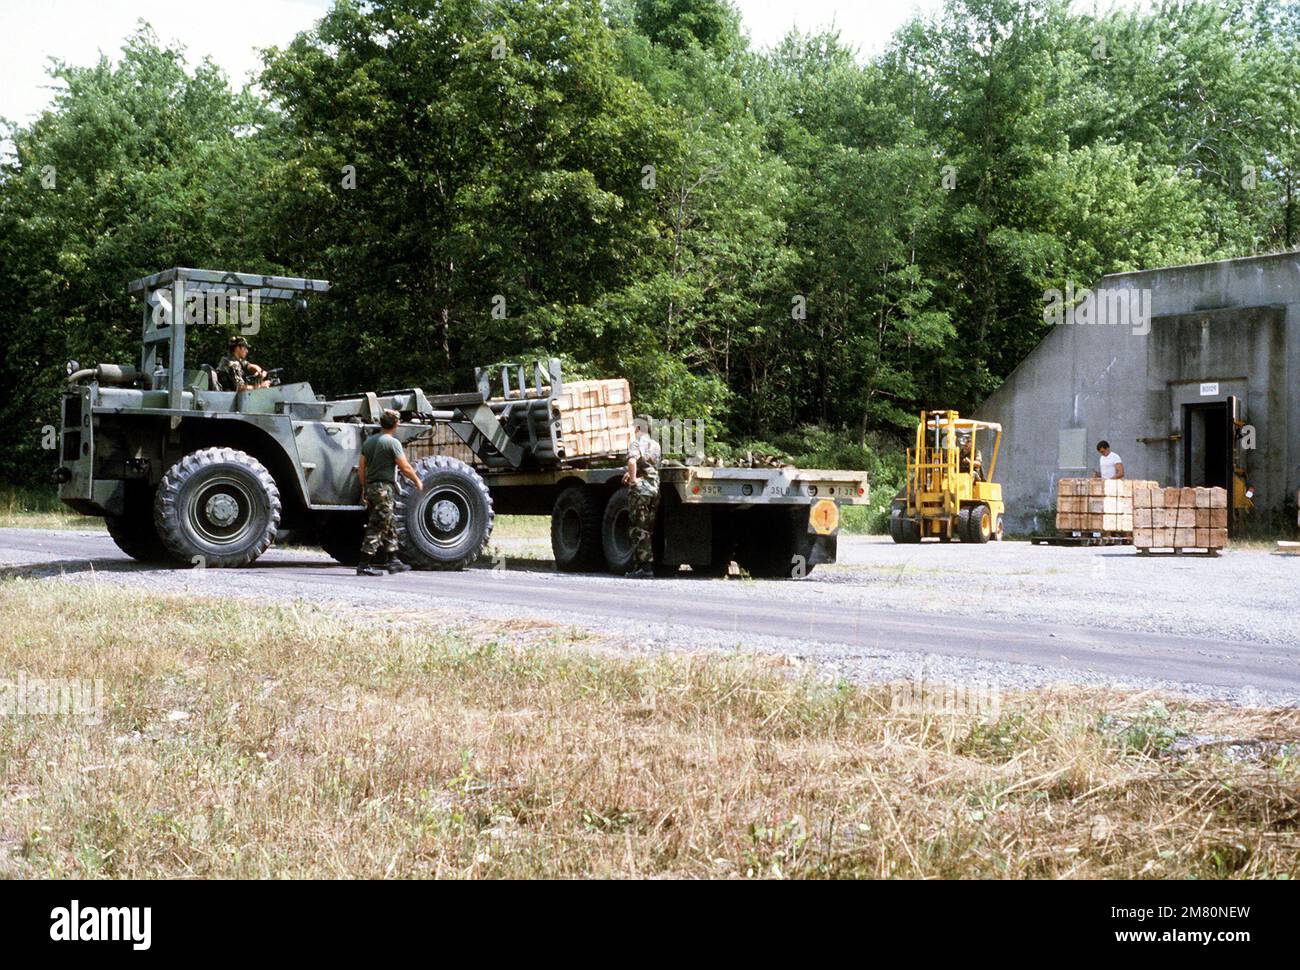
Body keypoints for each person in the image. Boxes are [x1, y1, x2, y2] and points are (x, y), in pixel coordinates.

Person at [356, 409, 423, 576]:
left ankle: (393, 561)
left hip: (372, 488)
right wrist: (417, 480)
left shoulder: (369, 443)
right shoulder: (392, 443)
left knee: (389, 523)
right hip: (384, 489)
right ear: (396, 424)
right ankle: (364, 564)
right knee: (378, 524)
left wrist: (364, 488)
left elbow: (361, 469)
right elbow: (405, 467)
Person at [622, 419, 662, 578]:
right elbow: (650, 467)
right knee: (648, 529)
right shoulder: (656, 445)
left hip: (641, 492)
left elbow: (632, 461)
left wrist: (632, 480)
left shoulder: (636, 443)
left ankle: (644, 568)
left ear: (638, 428)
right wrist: (634, 473)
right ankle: (644, 566)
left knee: (638, 528)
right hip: (654, 489)